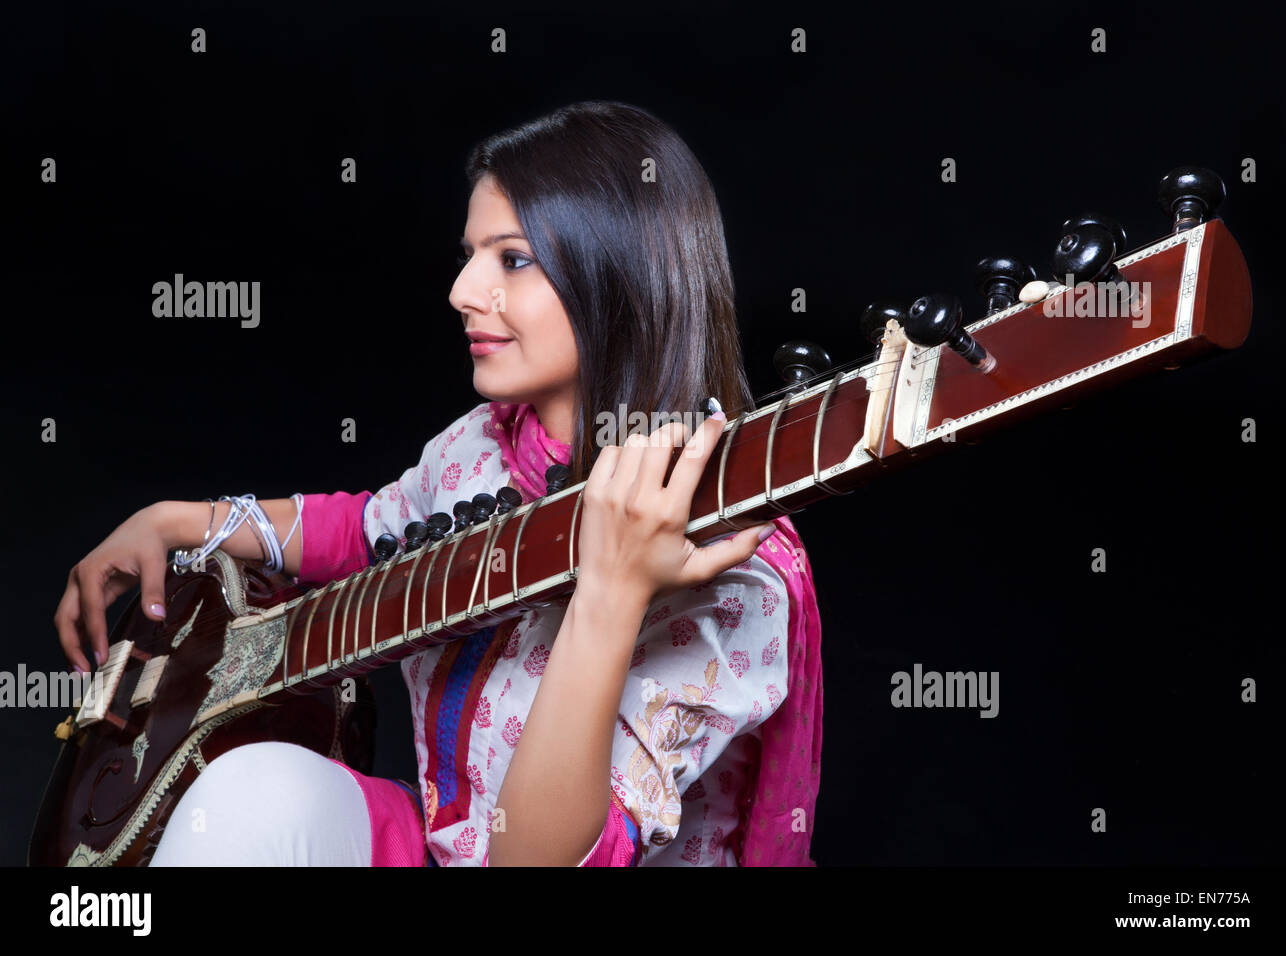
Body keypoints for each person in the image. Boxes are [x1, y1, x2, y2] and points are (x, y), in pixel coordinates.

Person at [53, 101, 824, 867]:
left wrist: (609, 594)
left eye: (512, 259)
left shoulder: (730, 569)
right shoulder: (483, 446)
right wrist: (181, 520)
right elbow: (368, 536)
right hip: (443, 850)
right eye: (470, 255)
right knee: (248, 797)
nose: (461, 291)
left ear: (619, 274)